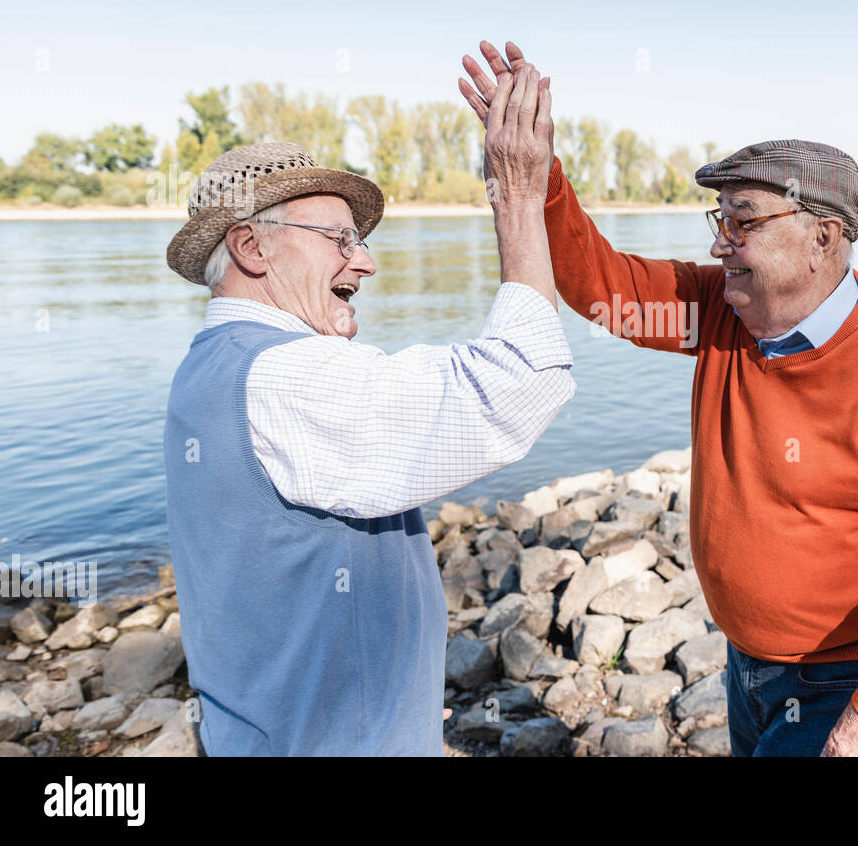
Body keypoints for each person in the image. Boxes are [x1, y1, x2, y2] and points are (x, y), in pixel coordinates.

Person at [459, 41, 858, 757]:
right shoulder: (718, 309)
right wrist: (542, 171)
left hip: (839, 681)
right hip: (743, 666)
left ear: (823, 237)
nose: (720, 245)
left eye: (742, 221)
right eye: (718, 220)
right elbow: (600, 289)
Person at [163, 62, 572, 754]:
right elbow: (519, 381)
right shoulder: (285, 377)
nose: (366, 263)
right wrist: (519, 197)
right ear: (252, 245)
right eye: (341, 239)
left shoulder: (210, 365)